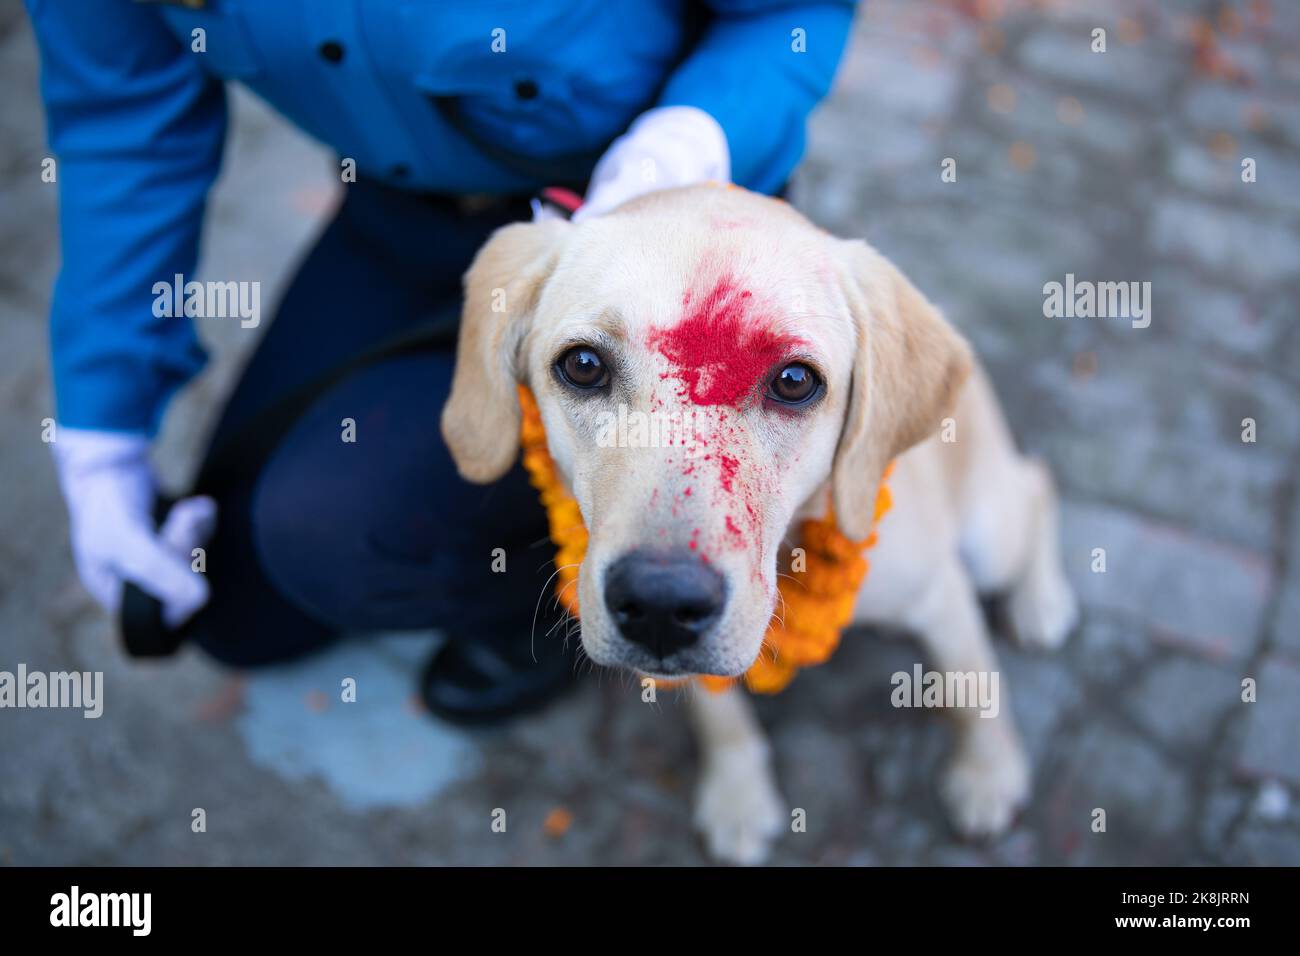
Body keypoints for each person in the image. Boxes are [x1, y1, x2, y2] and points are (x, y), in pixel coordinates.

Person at [27, 0, 855, 724]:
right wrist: (102, 431)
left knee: (327, 531)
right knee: (234, 613)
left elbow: (787, 13)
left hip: (655, 218)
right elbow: (122, 124)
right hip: (405, 221)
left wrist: (684, 143)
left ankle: (565, 608)